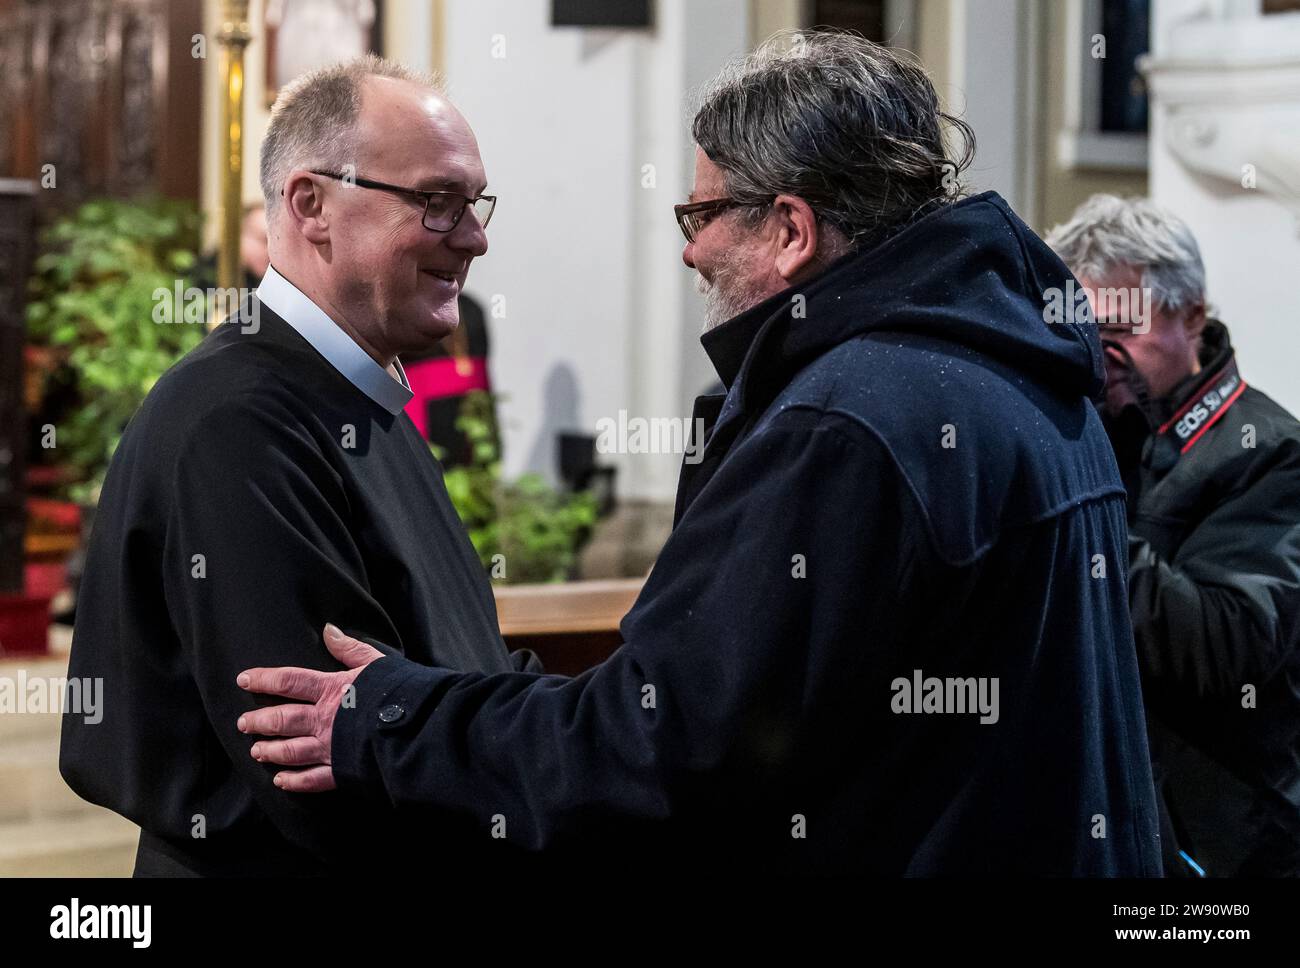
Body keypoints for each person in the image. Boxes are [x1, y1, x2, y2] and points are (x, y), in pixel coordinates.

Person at [240, 32, 1162, 876]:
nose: (692, 255)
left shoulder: (844, 425)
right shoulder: (1020, 368)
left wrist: (395, 722)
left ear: (792, 231)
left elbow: (662, 744)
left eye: (704, 217)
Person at [59, 55, 539, 876]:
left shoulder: (358, 397)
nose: (475, 236)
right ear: (311, 205)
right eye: (436, 202)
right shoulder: (238, 422)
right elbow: (321, 783)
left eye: (474, 203)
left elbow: (456, 662)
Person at [1047, 195, 1300, 877]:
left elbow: (1229, 642)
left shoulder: (1270, 451)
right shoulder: (1095, 429)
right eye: (1081, 328)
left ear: (1192, 315)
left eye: (1121, 327)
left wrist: (1080, 515)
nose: (1100, 352)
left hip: (1224, 848)